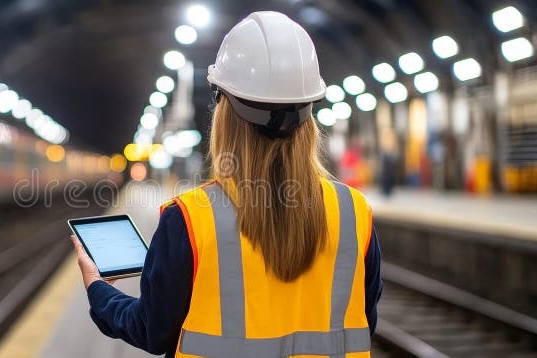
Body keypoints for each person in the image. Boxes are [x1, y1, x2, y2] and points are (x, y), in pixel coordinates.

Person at [70, 11, 382, 358]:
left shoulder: (189, 219)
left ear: (224, 115)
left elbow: (152, 329)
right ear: (309, 116)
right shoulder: (353, 213)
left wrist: (97, 288)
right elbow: (363, 321)